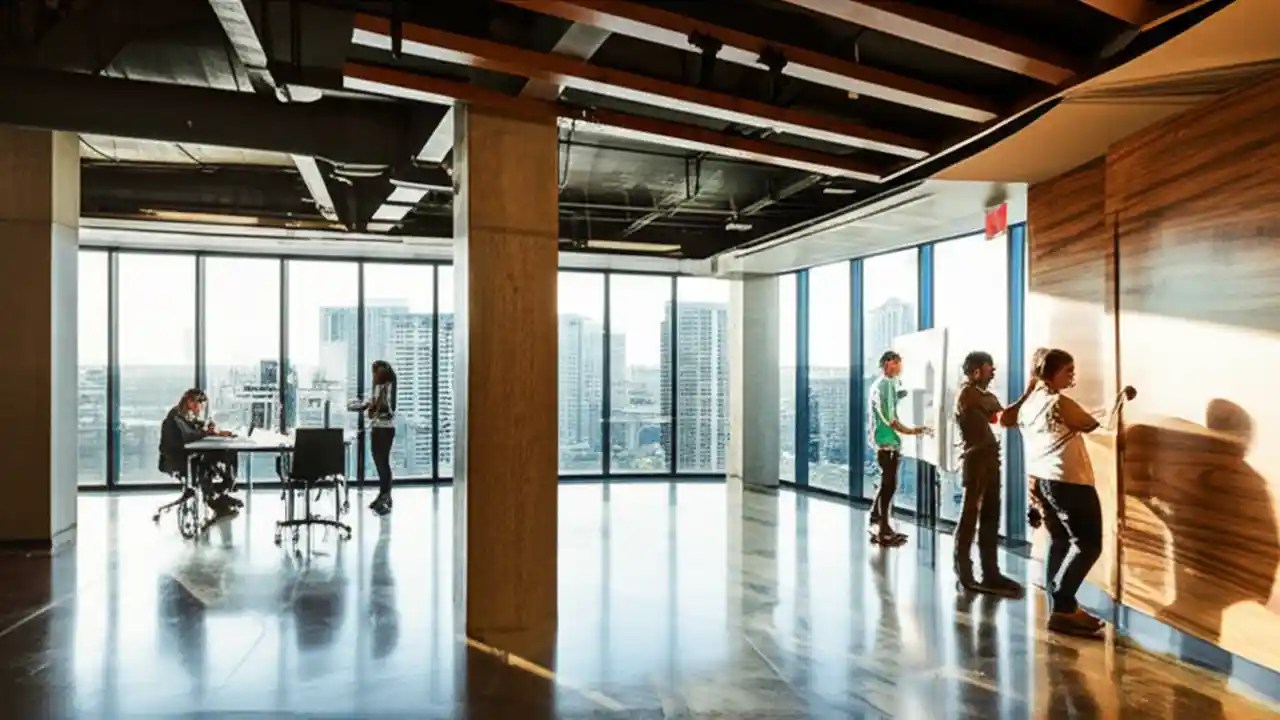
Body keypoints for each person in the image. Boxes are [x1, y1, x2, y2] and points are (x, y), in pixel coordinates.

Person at [1001, 348, 1106, 637]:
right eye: (1068, 370)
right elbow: (1092, 424)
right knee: (1088, 544)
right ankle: (1063, 604)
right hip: (1069, 480)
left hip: (1041, 480)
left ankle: (1060, 609)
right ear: (1053, 373)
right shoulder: (1058, 402)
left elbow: (1006, 419)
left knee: (1060, 541)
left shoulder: (1029, 404)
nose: (1073, 375)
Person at [952, 351, 1036, 597]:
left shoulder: (979, 395)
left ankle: (990, 572)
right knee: (970, 516)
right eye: (990, 368)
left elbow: (1001, 418)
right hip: (977, 460)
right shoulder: (969, 394)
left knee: (989, 515)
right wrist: (1029, 392)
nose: (993, 372)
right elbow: (1006, 417)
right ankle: (965, 571)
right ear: (977, 371)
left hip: (988, 459)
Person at [867, 350, 930, 546]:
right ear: (888, 363)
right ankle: (883, 530)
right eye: (897, 363)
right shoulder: (885, 385)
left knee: (886, 483)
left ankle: (876, 519)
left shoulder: (880, 384)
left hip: (882, 442)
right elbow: (891, 419)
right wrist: (913, 431)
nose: (900, 368)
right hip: (888, 444)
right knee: (889, 486)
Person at [158, 388, 241, 517]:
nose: (200, 410)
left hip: (189, 456)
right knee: (208, 462)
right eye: (200, 406)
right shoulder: (176, 417)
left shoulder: (186, 416)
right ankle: (214, 498)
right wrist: (207, 432)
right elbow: (189, 435)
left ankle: (223, 490)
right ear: (190, 403)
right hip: (177, 459)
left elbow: (199, 427)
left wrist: (215, 431)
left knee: (228, 452)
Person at [354, 360, 397, 515]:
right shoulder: (378, 387)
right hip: (377, 428)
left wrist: (374, 409)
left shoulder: (388, 387)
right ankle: (384, 494)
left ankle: (385, 496)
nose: (375, 375)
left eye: (377, 371)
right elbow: (374, 407)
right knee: (379, 463)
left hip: (385, 429)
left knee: (382, 462)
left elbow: (387, 410)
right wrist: (369, 407)